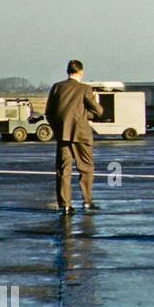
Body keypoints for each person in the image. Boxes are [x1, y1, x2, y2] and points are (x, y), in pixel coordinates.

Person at [44, 59, 104, 214]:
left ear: (67, 71)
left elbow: (49, 113)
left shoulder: (57, 87)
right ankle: (87, 201)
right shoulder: (85, 89)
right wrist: (86, 115)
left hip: (63, 135)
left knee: (63, 170)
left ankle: (65, 204)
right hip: (81, 134)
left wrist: (58, 128)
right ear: (81, 72)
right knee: (86, 168)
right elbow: (99, 111)